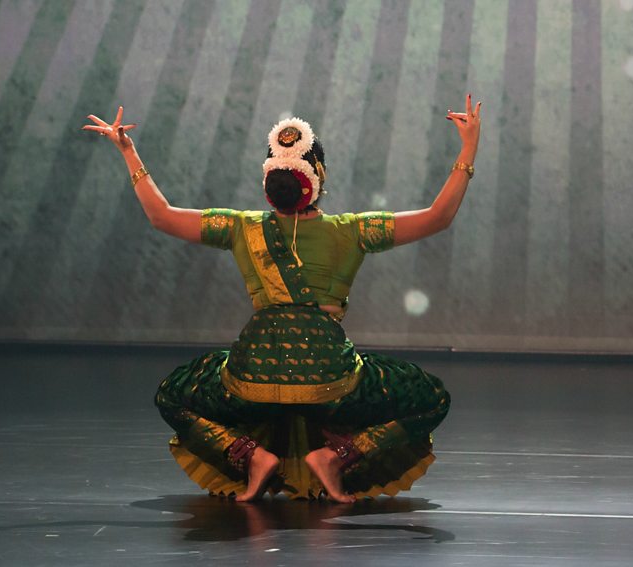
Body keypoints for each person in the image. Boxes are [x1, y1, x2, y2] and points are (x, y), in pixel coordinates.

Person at [84, 96, 481, 502]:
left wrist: (129, 152)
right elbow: (438, 216)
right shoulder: (353, 231)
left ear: (269, 182)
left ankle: (251, 456)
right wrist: (468, 148)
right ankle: (337, 456)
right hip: (331, 378)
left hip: (250, 376)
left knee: (172, 394)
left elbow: (161, 215)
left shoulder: (241, 228)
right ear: (318, 178)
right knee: (430, 397)